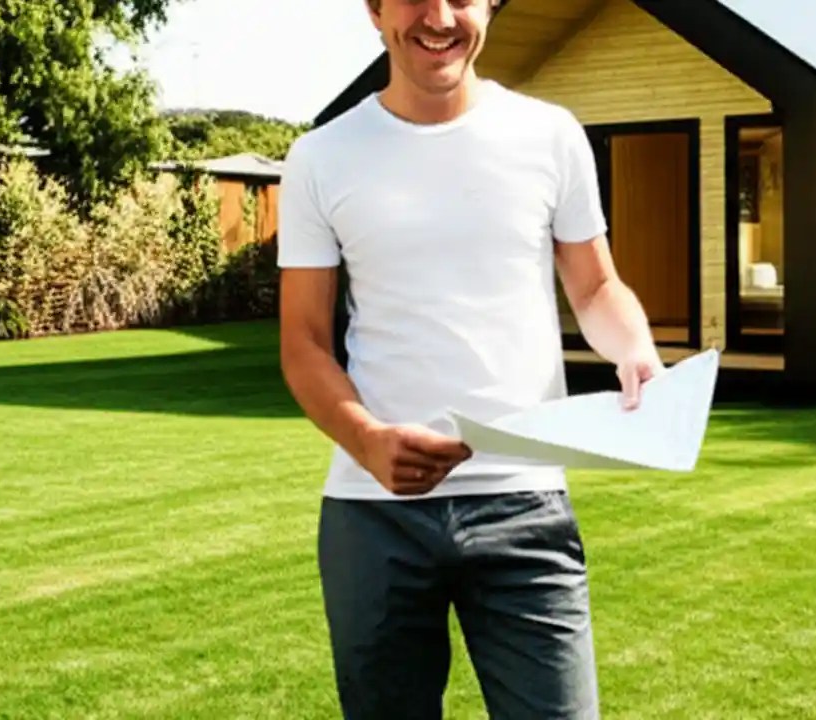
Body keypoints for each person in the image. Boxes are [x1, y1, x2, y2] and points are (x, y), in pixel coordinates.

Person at [277, 0, 663, 717]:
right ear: (374, 9)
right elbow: (302, 343)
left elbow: (598, 286)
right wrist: (365, 439)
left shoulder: (550, 136)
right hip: (374, 514)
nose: (439, 16)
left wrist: (633, 346)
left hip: (526, 502)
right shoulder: (320, 157)